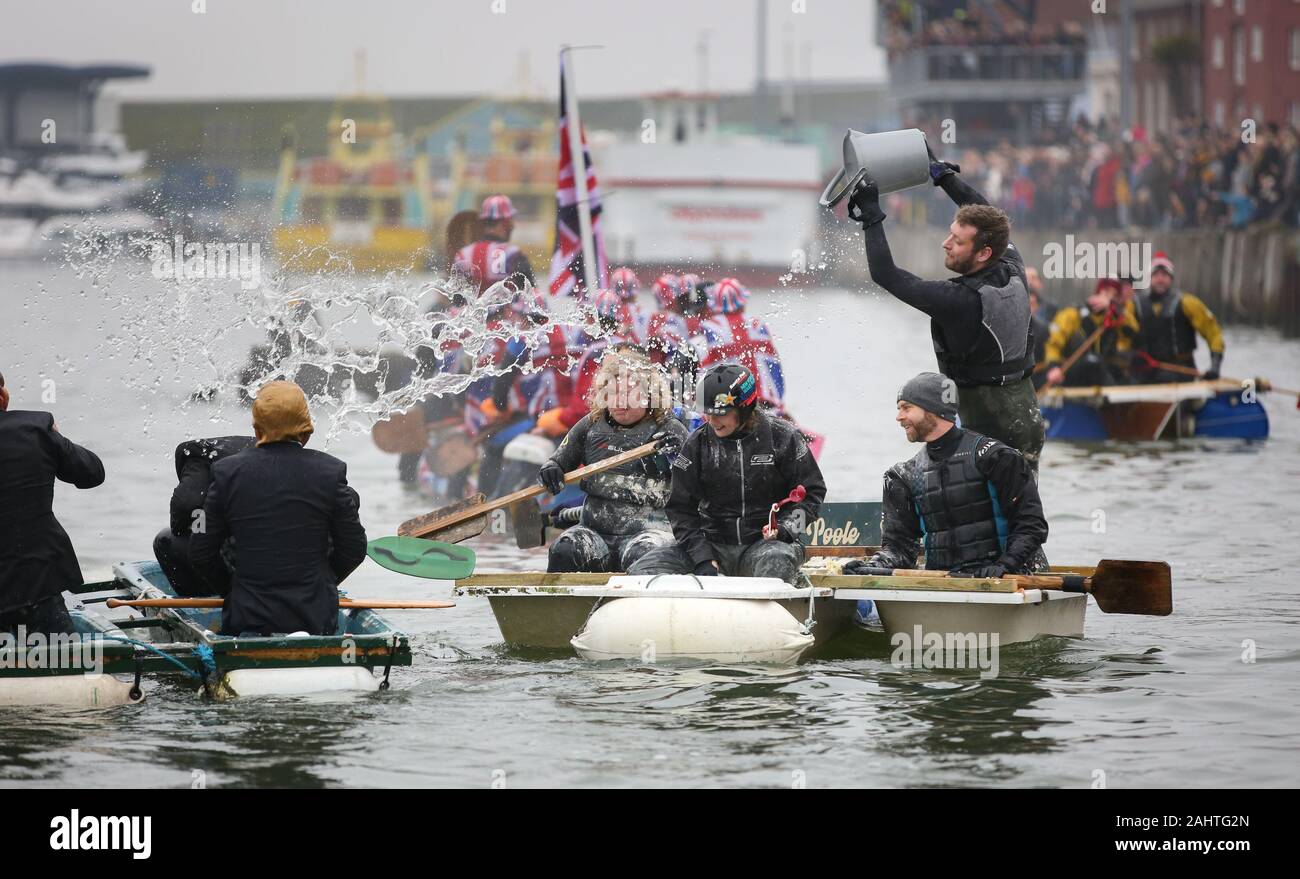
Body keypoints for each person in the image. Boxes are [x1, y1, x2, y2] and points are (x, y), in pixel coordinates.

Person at [847, 143, 1045, 470]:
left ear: (982, 253)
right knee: (1019, 508)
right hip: (1026, 418)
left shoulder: (962, 302)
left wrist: (871, 216)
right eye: (950, 234)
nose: (945, 243)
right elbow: (986, 211)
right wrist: (944, 176)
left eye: (957, 241)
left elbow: (886, 275)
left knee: (989, 513)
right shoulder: (1011, 263)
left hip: (992, 427)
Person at [191, 381, 367, 636]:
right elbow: (354, 548)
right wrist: (323, 584)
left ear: (256, 429)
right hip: (315, 617)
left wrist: (234, 589)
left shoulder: (226, 473)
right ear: (306, 431)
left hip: (247, 617)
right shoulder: (331, 472)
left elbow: (200, 551)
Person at [628, 364, 826, 585]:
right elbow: (680, 509)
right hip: (711, 545)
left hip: (767, 545)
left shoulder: (783, 437)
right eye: (708, 413)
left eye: (720, 413)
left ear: (744, 408)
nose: (712, 421)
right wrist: (702, 557)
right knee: (642, 570)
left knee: (775, 561)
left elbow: (812, 493)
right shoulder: (696, 445)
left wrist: (786, 529)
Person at [844, 373, 1047, 578]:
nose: (899, 417)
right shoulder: (902, 476)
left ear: (932, 409)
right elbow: (899, 548)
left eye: (907, 408)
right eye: (899, 409)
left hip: (1003, 582)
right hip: (941, 585)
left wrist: (1006, 565)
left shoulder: (997, 458)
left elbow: (1031, 526)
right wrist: (873, 565)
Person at [538, 348, 687, 573]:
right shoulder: (589, 426)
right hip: (593, 532)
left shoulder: (671, 430)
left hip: (650, 533)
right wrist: (551, 469)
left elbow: (698, 484)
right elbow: (558, 462)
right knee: (565, 550)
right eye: (613, 393)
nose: (620, 402)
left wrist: (677, 457)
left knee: (643, 556)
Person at [0, 370, 104, 636]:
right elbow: (92, 474)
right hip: (37, 583)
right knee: (64, 666)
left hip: (32, 583)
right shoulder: (36, 430)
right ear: (3, 396)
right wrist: (57, 438)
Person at [153, 436, 255, 596]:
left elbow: (185, 509)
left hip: (243, 562)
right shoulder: (263, 449)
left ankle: (202, 603)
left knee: (164, 540)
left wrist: (200, 524)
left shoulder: (194, 458)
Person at [1132, 252, 1226, 383]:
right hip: (1146, 370)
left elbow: (1214, 333)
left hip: (1179, 370)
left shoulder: (1188, 302)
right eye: (1156, 275)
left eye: (1164, 275)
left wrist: (1215, 366)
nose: (1160, 279)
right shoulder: (1135, 304)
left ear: (1171, 279)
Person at [696, 277, 787, 413]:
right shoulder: (759, 325)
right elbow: (776, 373)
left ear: (714, 305)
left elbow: (700, 377)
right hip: (769, 408)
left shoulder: (709, 328)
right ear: (743, 302)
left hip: (728, 410)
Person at [1043, 278, 1141, 388]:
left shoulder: (1116, 318)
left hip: (1104, 372)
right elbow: (1053, 344)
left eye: (1115, 295)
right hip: (1076, 371)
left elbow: (1134, 331)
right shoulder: (1072, 314)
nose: (1108, 296)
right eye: (1106, 291)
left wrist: (1116, 309)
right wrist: (1053, 367)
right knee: (1093, 362)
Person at [450, 195, 536, 294]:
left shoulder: (462, 255)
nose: (513, 226)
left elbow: (457, 300)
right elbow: (532, 294)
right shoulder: (513, 254)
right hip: (508, 308)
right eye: (511, 221)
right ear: (506, 223)